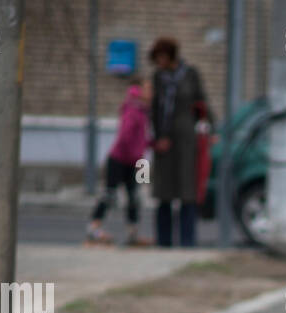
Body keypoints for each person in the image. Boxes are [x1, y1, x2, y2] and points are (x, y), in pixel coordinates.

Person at [148, 37, 210, 247]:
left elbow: (201, 102)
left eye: (162, 57)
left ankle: (187, 243)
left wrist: (211, 128)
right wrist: (158, 137)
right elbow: (154, 109)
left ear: (171, 55)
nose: (159, 63)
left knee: (187, 192)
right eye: (157, 59)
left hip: (186, 140)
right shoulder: (158, 77)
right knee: (164, 193)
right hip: (164, 142)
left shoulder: (191, 74)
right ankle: (163, 242)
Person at [87, 77, 151, 245]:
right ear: (138, 90)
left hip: (137, 162)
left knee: (134, 197)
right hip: (119, 159)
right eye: (148, 89)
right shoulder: (132, 108)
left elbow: (140, 138)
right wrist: (134, 152)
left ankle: (133, 234)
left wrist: (153, 144)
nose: (151, 93)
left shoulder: (144, 110)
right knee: (109, 194)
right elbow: (125, 136)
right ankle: (94, 228)